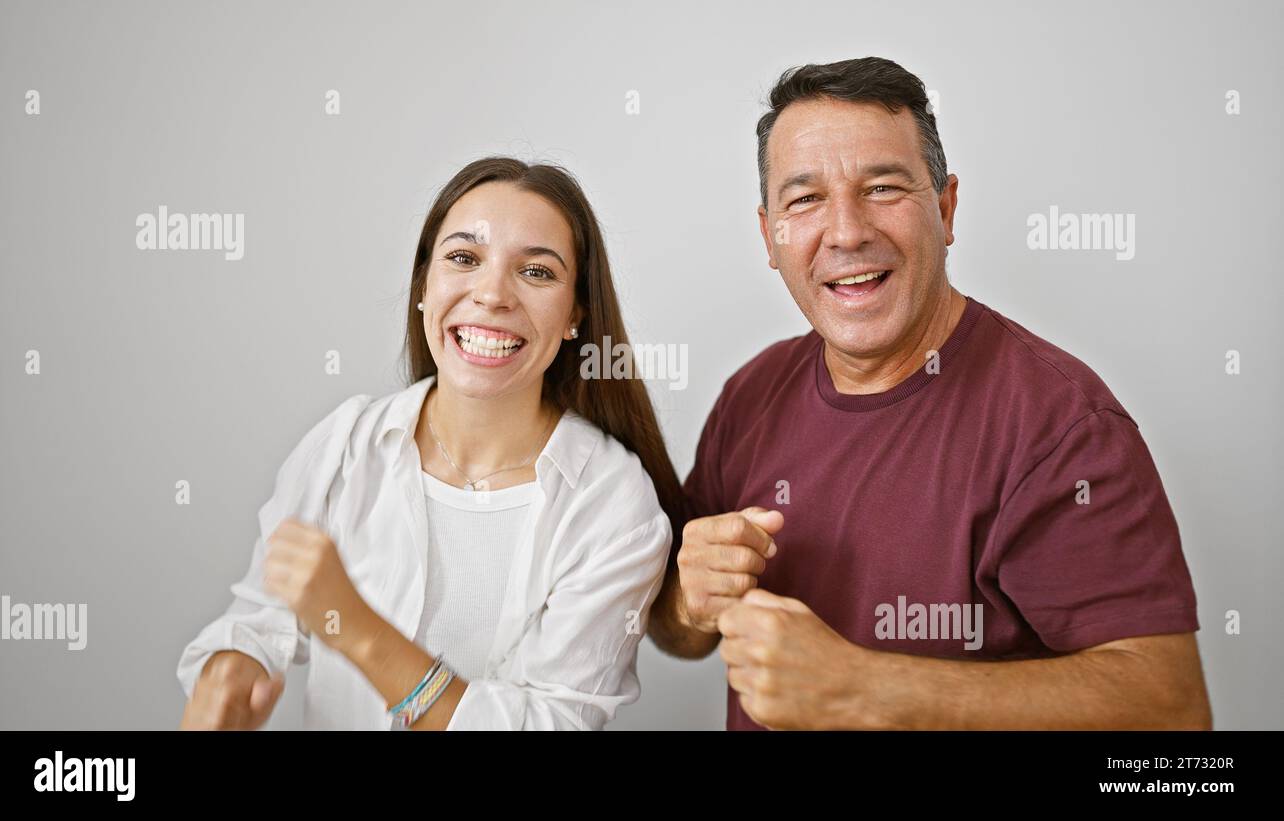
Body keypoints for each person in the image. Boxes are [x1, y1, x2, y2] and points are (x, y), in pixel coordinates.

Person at [649, 57, 1212, 730]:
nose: (848, 231)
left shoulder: (1062, 424)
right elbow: (682, 631)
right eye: (804, 200)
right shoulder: (751, 392)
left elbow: (1172, 713)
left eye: (883, 187)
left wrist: (866, 688)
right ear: (770, 235)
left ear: (945, 209)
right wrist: (687, 601)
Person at [178, 157, 679, 730]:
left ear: (576, 315)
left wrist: (357, 627)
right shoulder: (346, 445)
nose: (491, 294)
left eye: (536, 272)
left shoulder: (612, 503)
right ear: (423, 285)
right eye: (464, 258)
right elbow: (262, 615)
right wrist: (231, 667)